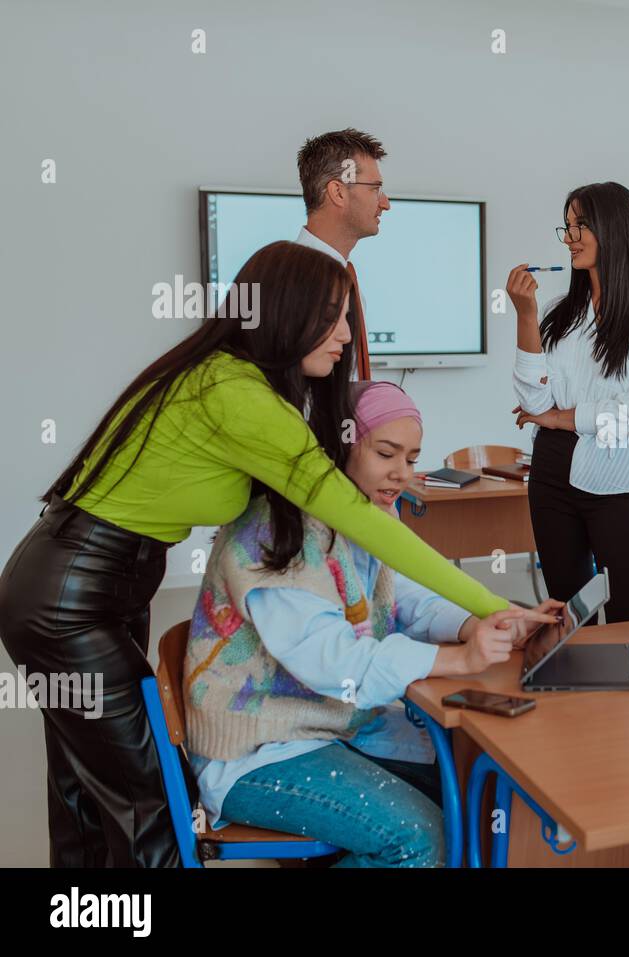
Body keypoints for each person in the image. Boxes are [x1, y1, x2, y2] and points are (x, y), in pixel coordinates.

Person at [0, 241, 512, 868]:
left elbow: (375, 568)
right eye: (333, 316)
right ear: (286, 311)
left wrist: (472, 623)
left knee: (84, 787)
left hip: (101, 580)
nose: (346, 334)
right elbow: (355, 518)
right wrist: (486, 605)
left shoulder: (230, 380)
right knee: (147, 800)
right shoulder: (235, 394)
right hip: (71, 593)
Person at [184, 381, 560, 867]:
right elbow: (337, 665)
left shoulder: (363, 518)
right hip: (258, 750)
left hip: (328, 726)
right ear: (338, 446)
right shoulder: (276, 531)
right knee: (421, 840)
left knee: (478, 794)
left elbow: (403, 597)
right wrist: (458, 659)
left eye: (412, 458)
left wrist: (474, 625)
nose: (402, 474)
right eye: (387, 454)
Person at [509, 182, 629, 623]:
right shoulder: (556, 311)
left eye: (581, 225)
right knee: (568, 614)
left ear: (616, 230)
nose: (570, 238)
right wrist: (525, 315)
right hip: (550, 471)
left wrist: (559, 418)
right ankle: (580, 689)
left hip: (615, 476)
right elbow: (532, 397)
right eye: (567, 227)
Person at [295, 127, 391, 379]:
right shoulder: (298, 283)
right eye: (375, 189)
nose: (385, 203)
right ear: (338, 192)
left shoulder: (343, 275)